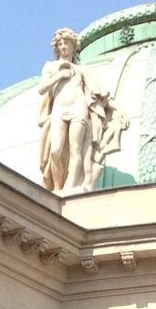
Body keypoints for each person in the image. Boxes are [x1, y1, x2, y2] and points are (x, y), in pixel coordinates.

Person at [38, 28, 99, 194]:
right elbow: (42, 88)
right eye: (60, 44)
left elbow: (98, 93)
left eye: (67, 43)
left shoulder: (82, 69)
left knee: (76, 150)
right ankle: (57, 188)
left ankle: (69, 187)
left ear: (74, 46)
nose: (64, 46)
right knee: (55, 151)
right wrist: (60, 75)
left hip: (79, 108)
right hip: (59, 109)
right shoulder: (51, 66)